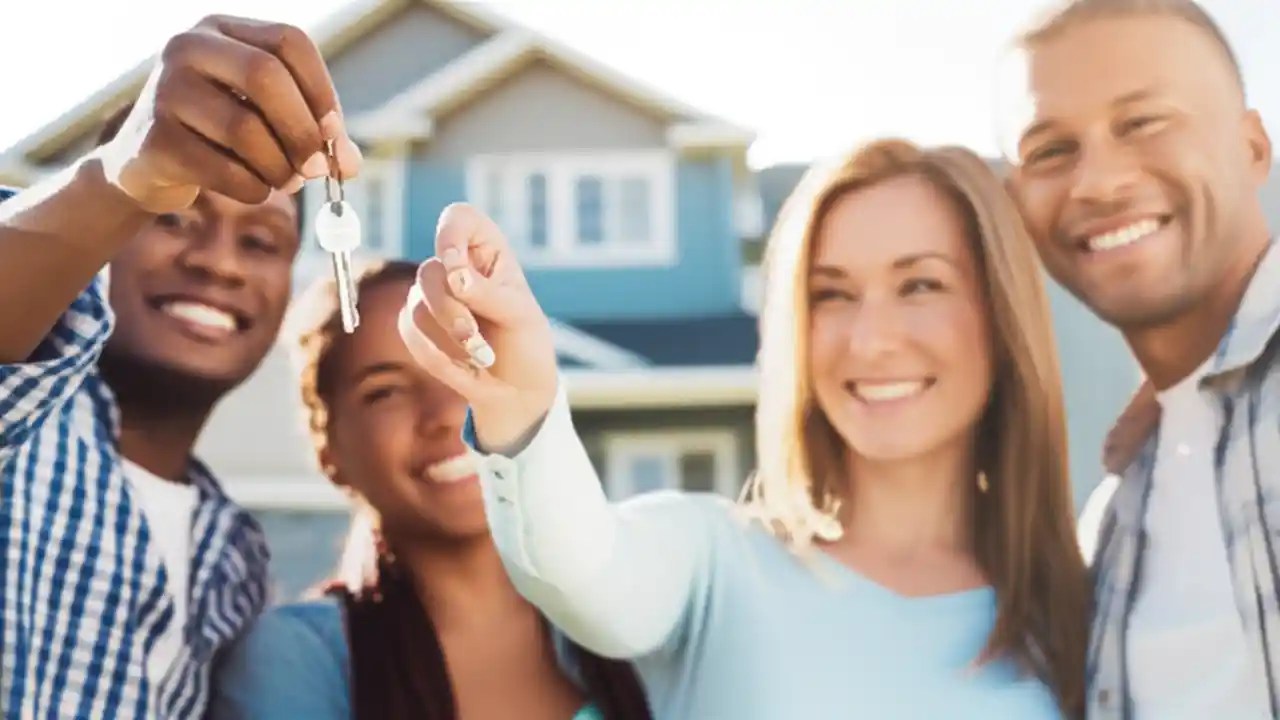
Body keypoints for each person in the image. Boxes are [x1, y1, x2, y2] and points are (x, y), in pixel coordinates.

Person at [399, 140, 1091, 718]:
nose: (871, 340)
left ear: (1002, 319)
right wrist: (521, 403)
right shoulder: (715, 563)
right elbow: (583, 569)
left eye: (921, 285)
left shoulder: (1079, 612)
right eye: (831, 294)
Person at [0, 15, 359, 719]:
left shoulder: (240, 560)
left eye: (260, 242)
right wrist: (122, 180)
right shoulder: (26, 432)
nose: (217, 263)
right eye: (171, 219)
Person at [208, 260, 652, 720]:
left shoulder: (635, 617)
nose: (444, 413)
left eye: (466, 365)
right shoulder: (297, 661)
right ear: (329, 449)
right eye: (386, 392)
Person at [1003, 1, 1279, 717]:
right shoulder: (1115, 521)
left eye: (1143, 122)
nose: (1096, 182)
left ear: (1253, 147)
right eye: (1050, 151)